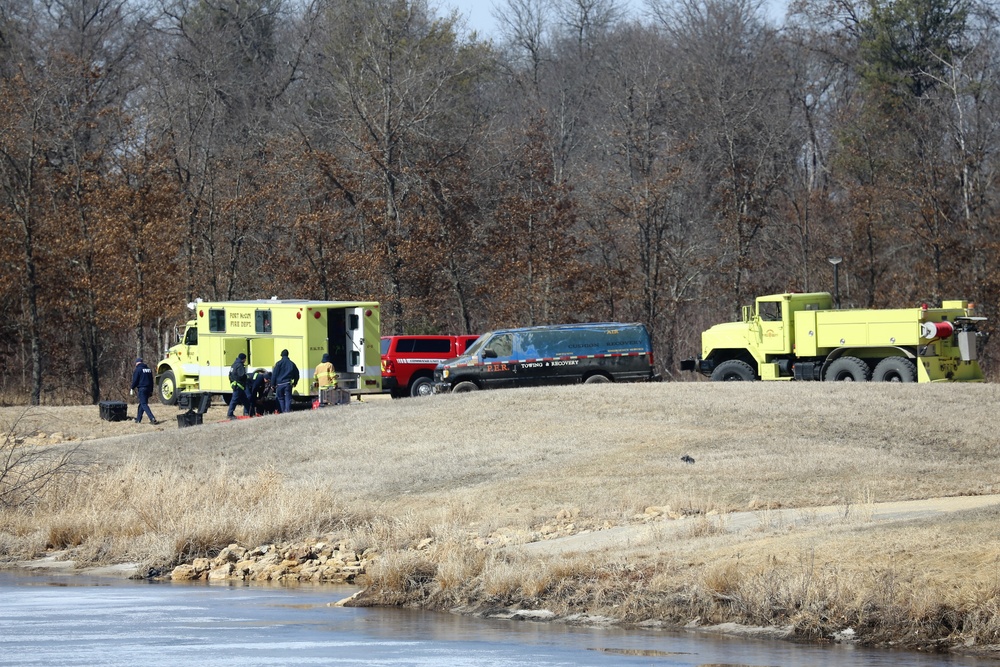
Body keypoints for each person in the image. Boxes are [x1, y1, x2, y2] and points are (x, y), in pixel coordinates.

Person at [131, 357, 158, 425]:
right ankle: (138, 420)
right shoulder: (148, 369)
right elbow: (151, 381)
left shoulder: (138, 369)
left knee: (144, 404)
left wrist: (132, 388)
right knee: (142, 404)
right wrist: (151, 390)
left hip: (142, 389)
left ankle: (152, 418)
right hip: (148, 388)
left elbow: (135, 380)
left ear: (137, 363)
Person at [271, 349, 299, 414]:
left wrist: (272, 384)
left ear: (281, 355)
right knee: (288, 398)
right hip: (288, 384)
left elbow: (274, 375)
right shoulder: (292, 364)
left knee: (280, 399)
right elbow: (297, 374)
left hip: (279, 384)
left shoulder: (278, 364)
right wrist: (295, 382)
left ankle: (282, 412)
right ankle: (287, 412)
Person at [227, 352, 251, 420]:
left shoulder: (233, 365)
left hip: (235, 385)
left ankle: (249, 412)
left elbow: (230, 375)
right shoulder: (240, 365)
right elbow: (242, 375)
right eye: (245, 359)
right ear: (243, 359)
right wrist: (246, 377)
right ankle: (230, 414)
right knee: (234, 400)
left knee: (245, 400)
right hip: (239, 386)